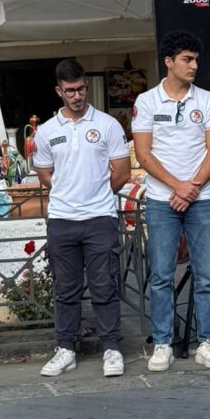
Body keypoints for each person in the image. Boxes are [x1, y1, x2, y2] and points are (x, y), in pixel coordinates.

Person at [132, 30, 210, 372]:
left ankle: (208, 341)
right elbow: (143, 154)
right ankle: (162, 343)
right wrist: (177, 187)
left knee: (205, 273)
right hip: (161, 199)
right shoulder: (146, 101)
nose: (194, 65)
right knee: (160, 274)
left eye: (196, 60)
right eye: (187, 59)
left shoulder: (208, 99)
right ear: (168, 62)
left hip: (200, 198)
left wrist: (193, 186)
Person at [34, 59, 131, 378]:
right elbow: (44, 173)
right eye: (70, 91)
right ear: (59, 91)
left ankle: (112, 349)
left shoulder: (107, 124)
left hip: (100, 217)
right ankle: (65, 349)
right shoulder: (47, 131)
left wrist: (96, 193)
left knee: (105, 285)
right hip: (62, 219)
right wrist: (67, 190)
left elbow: (122, 172)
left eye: (81, 89)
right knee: (66, 289)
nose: (77, 96)